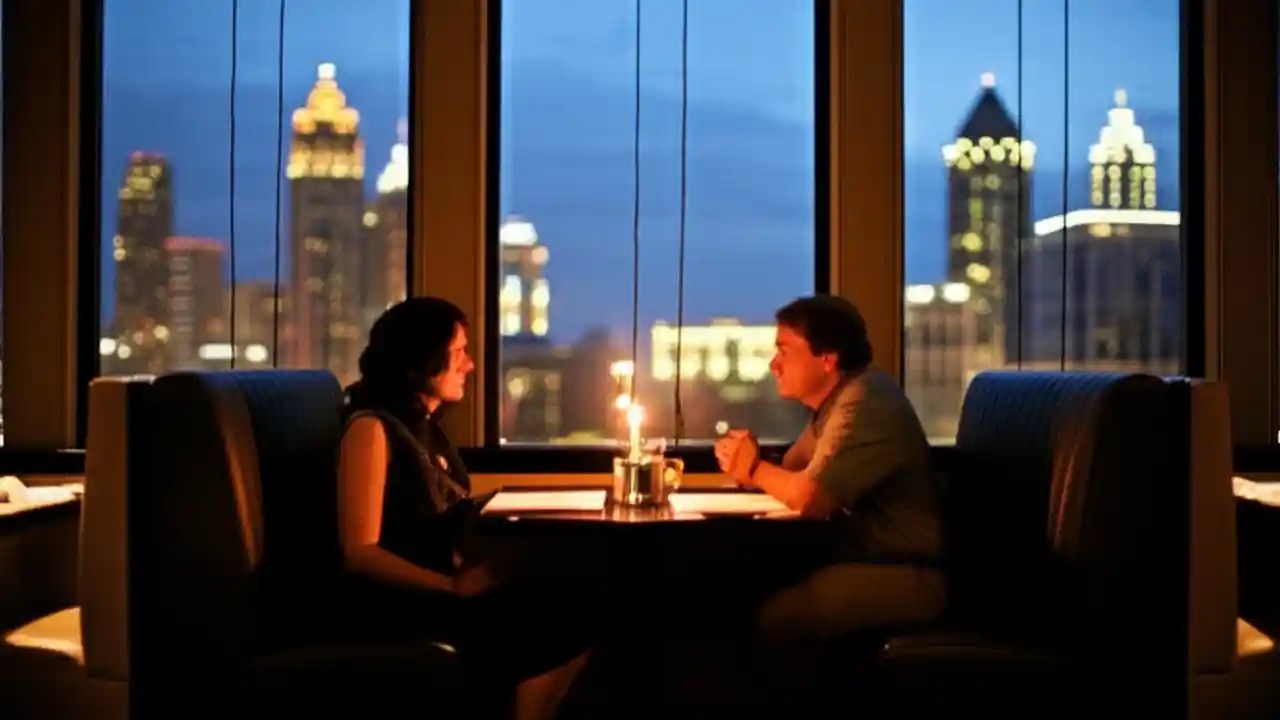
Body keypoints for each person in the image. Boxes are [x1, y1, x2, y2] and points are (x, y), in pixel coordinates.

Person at [337, 297, 594, 720]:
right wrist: (451, 587)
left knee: (578, 596)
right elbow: (359, 552)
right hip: (404, 603)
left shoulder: (428, 430)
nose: (469, 365)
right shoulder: (371, 429)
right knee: (555, 614)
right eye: (457, 352)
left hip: (439, 586)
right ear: (422, 359)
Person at [714, 295, 946, 698]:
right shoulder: (835, 404)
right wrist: (752, 463)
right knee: (731, 592)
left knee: (778, 617)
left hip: (909, 573)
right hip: (871, 562)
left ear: (827, 358)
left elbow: (809, 497)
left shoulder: (866, 400)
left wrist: (752, 469)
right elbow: (791, 470)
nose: (773, 364)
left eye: (784, 351)